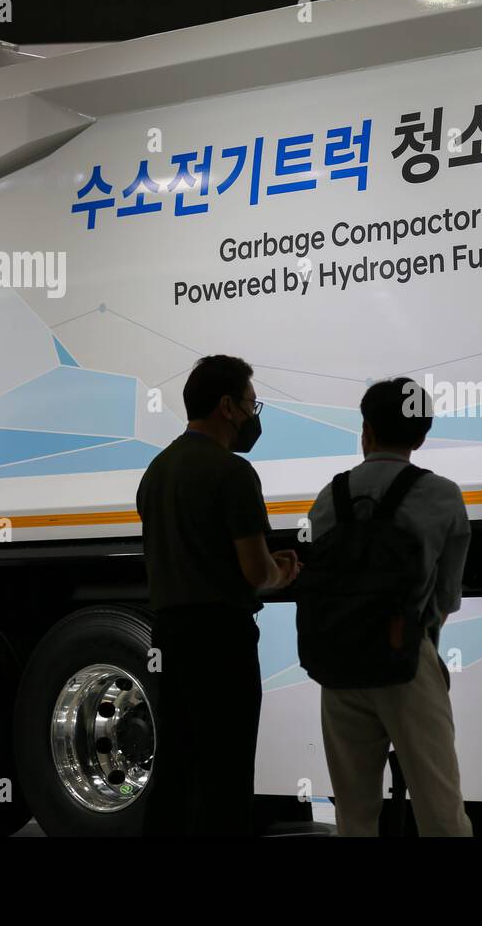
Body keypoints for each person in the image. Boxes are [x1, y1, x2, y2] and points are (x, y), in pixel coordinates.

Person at [136, 354, 299, 836]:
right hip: (220, 638)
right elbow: (254, 570)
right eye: (252, 403)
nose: (255, 414)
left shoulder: (157, 471)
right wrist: (283, 572)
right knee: (225, 770)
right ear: (227, 406)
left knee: (177, 763)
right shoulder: (232, 473)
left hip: (169, 633)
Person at [308, 377, 473, 836]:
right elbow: (446, 598)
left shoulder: (329, 497)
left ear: (366, 430)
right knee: (439, 808)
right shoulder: (441, 495)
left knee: (354, 814)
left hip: (339, 666)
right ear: (421, 437)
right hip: (405, 662)